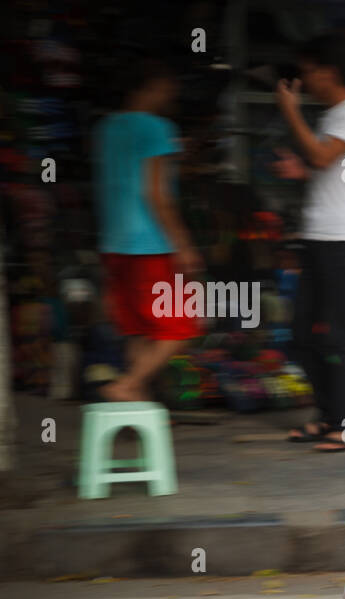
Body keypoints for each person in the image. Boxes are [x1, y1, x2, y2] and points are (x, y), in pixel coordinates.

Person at [273, 35, 345, 452]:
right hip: (319, 238)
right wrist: (298, 171)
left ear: (328, 71)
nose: (302, 81)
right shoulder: (333, 117)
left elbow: (322, 158)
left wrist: (290, 112)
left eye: (307, 71)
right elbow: (327, 170)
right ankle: (327, 417)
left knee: (337, 336)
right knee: (303, 334)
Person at [95, 57, 202, 402]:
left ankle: (134, 407)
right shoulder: (157, 129)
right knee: (182, 326)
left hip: (115, 244)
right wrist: (183, 244)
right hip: (150, 245)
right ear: (151, 86)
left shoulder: (106, 129)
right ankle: (127, 386)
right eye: (168, 86)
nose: (172, 93)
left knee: (140, 329)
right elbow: (156, 194)